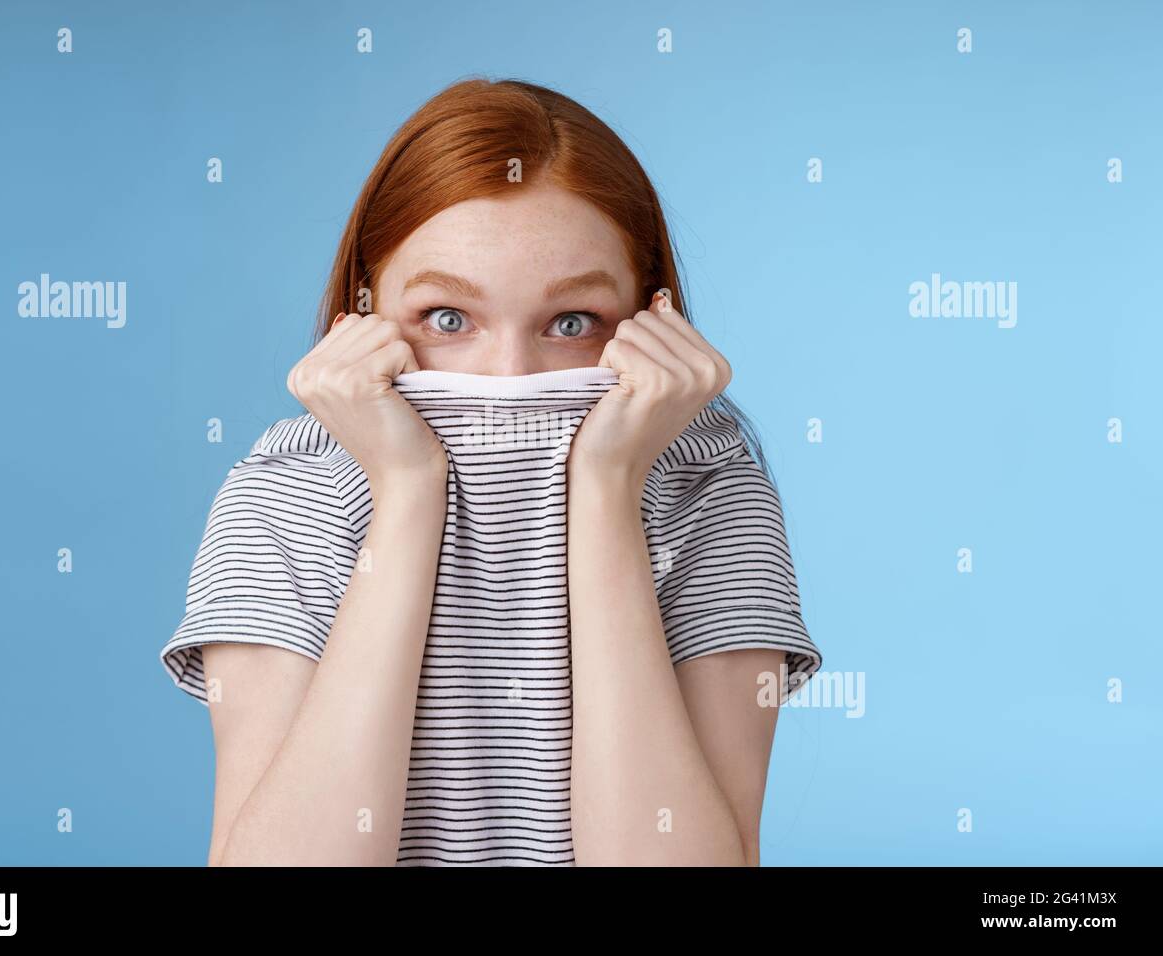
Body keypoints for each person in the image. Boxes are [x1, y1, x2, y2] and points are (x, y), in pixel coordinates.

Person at [160, 77, 822, 866]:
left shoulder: (708, 493)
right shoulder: (285, 494)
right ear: (364, 318)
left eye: (570, 323)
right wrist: (407, 495)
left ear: (651, 323)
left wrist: (607, 493)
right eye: (449, 320)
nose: (508, 379)